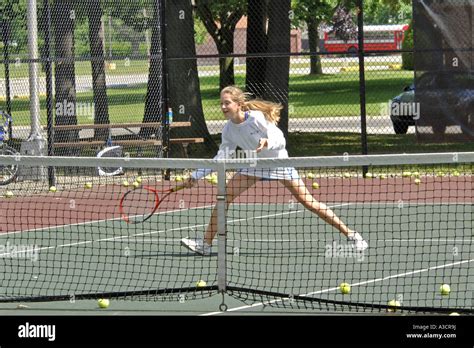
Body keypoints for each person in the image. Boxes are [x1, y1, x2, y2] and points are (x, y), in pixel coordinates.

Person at [180, 86, 368, 255]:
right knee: (223, 198)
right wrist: (196, 176)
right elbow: (221, 157)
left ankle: (353, 235)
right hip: (253, 165)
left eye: (227, 103)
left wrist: (267, 142)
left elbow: (280, 139)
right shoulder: (228, 130)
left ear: (238, 104)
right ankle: (205, 244)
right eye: (221, 103)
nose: (223, 107)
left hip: (278, 163)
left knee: (309, 202)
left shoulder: (256, 118)